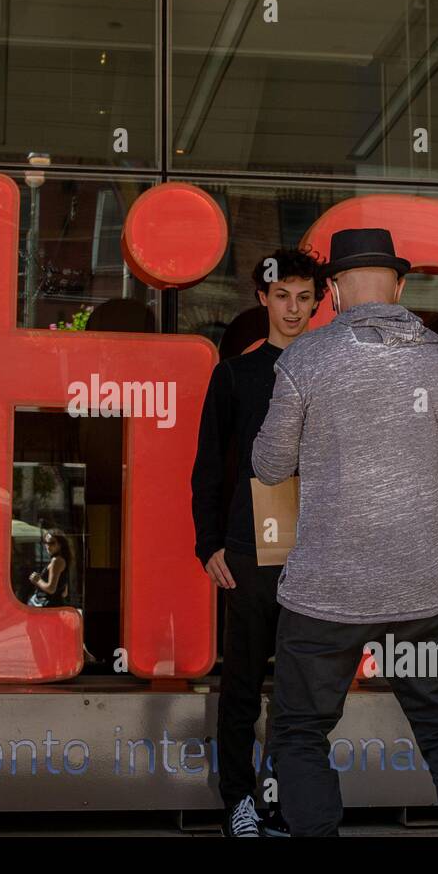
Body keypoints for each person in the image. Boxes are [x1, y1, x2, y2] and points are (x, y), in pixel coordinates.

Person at [252, 227, 438, 837]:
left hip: (326, 591)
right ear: (401, 285)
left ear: (330, 290)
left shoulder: (304, 357)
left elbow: (270, 466)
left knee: (300, 731)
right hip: (425, 588)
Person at [191, 248, 321, 837]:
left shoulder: (333, 374)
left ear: (318, 301)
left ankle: (294, 806)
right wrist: (210, 543)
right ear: (263, 299)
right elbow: (207, 470)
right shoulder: (235, 374)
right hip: (248, 553)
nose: (292, 308)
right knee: (242, 685)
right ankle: (238, 805)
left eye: (303, 296)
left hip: (319, 556)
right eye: (282, 296)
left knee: (303, 694)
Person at [26, 531, 97, 664]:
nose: (48, 546)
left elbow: (51, 588)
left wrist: (37, 580)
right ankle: (82, 659)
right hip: (56, 605)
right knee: (59, 638)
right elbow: (64, 591)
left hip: (48, 607)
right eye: (46, 543)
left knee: (43, 638)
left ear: (60, 544)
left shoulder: (56, 561)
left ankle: (47, 664)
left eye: (52, 543)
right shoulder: (62, 560)